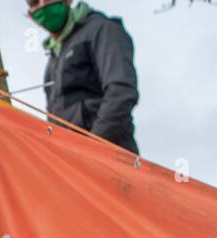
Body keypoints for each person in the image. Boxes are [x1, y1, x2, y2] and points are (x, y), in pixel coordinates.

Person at [26, 0, 139, 152]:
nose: (41, 5)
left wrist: (91, 147)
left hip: (109, 158)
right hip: (71, 164)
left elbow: (121, 92)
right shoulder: (52, 63)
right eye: (33, 2)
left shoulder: (102, 29)